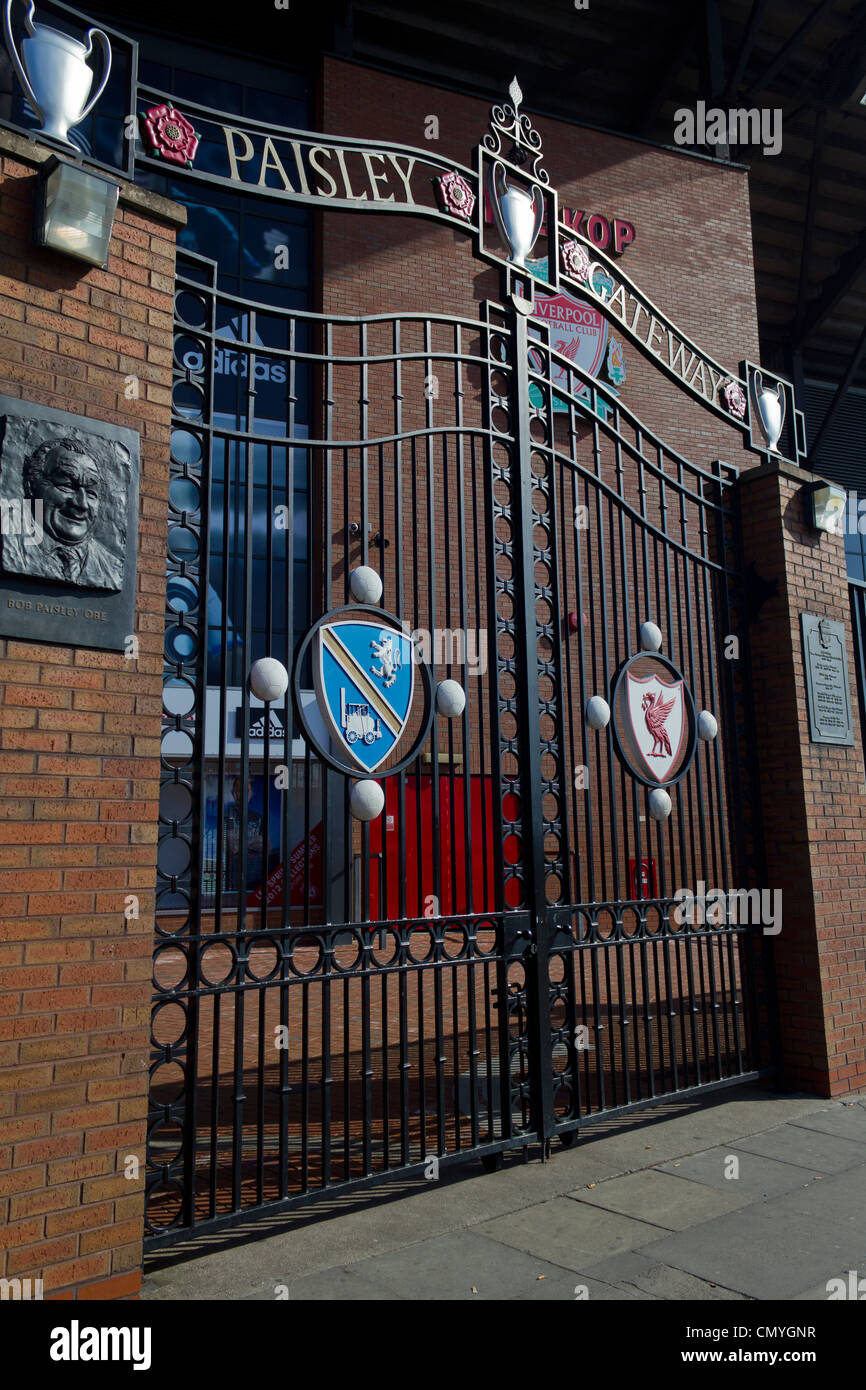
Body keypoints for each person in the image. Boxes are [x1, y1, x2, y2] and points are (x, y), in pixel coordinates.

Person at [3, 437, 124, 591]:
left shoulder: (112, 568)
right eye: (67, 485)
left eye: (91, 493)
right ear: (31, 485)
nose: (82, 504)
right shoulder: (9, 546)